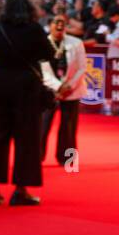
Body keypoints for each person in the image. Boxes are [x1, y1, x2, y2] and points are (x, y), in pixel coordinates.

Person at [0, 0, 54, 206]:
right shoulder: (34, 30)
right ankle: (20, 189)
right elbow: (48, 54)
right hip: (26, 86)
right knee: (27, 138)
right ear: (29, 6)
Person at [40, 13, 87, 166]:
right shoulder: (42, 43)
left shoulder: (76, 43)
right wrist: (58, 87)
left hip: (72, 90)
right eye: (56, 22)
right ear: (50, 25)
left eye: (63, 23)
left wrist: (69, 86)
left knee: (69, 126)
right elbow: (43, 70)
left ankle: (67, 159)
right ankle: (37, 156)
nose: (60, 26)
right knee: (42, 125)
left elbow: (82, 68)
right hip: (48, 90)